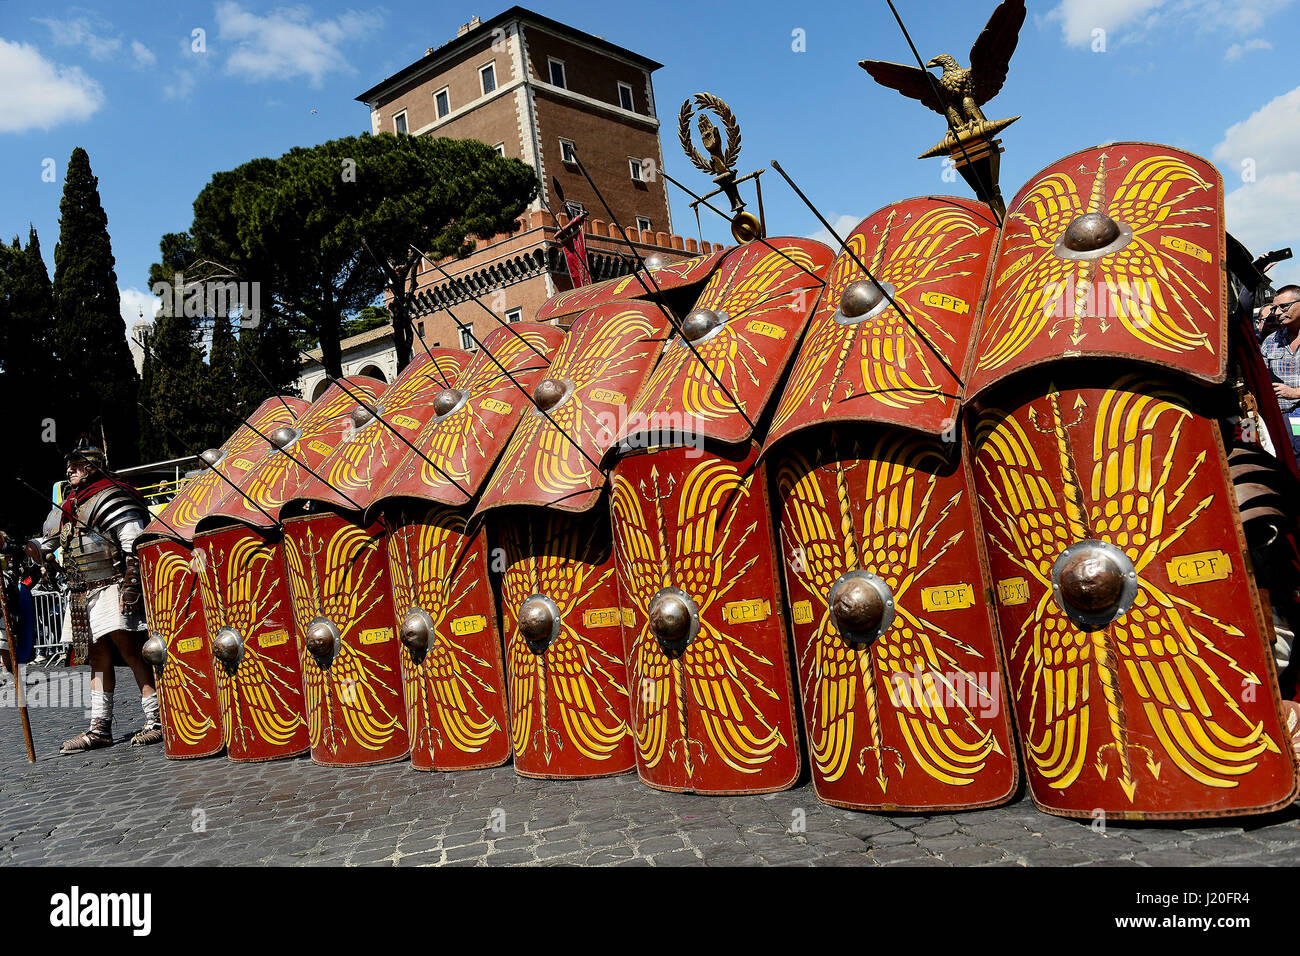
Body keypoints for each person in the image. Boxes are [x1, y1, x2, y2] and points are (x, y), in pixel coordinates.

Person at [29, 439, 161, 750]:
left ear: (92, 467)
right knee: (97, 657)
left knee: (130, 652)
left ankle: (155, 718)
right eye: (69, 465)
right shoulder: (71, 504)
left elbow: (132, 542)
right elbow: (47, 543)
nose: (69, 470)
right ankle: (100, 727)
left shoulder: (111, 495)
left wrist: (131, 586)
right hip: (81, 594)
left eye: (76, 465)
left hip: (112, 586)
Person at [1259, 285, 1300, 460]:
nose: (1277, 313)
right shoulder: (1270, 342)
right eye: (1275, 308)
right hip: (1278, 418)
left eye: (1284, 306)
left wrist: (1295, 393)